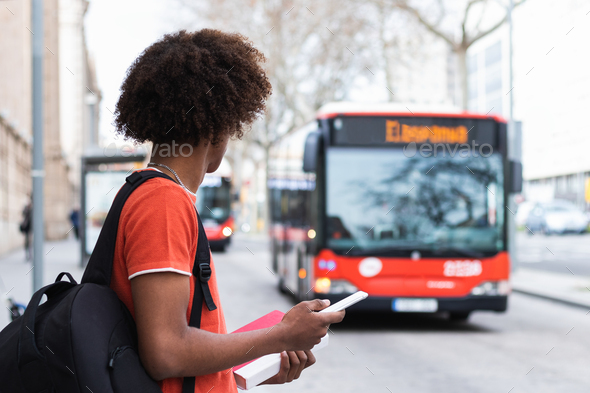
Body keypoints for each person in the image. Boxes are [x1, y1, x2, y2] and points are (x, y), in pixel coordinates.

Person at [110, 29, 345, 393]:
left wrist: (244, 367)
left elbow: (180, 348)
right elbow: (166, 353)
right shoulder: (163, 202)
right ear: (218, 126)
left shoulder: (152, 193)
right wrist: (280, 335)